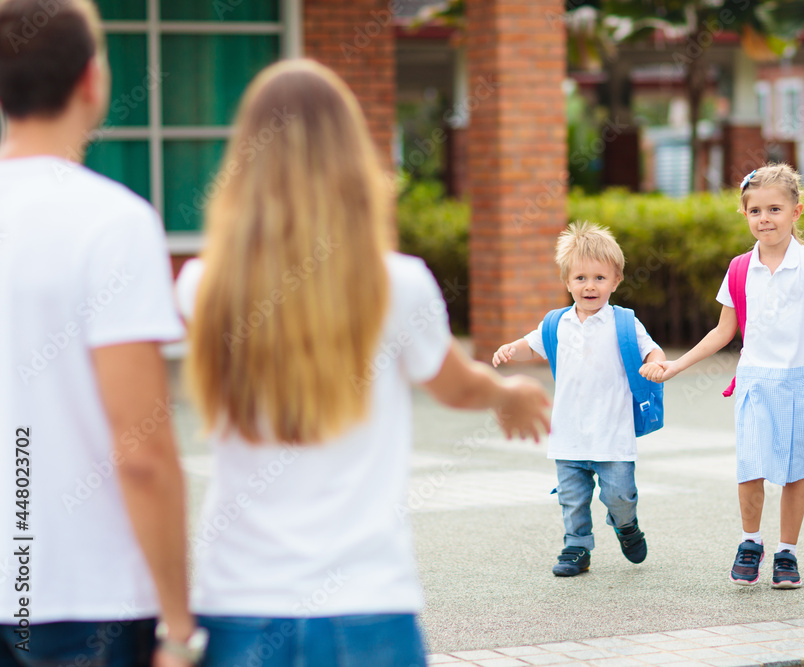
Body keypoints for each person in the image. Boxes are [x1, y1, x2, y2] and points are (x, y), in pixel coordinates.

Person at [174, 59, 550, 666]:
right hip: (367, 608)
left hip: (238, 604)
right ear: (351, 159)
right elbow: (455, 387)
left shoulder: (201, 286)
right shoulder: (397, 285)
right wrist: (507, 395)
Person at [0, 0, 200, 664]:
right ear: (91, 80)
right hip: (89, 600)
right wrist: (178, 624)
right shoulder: (112, 224)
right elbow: (140, 449)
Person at [641, 163, 804, 589]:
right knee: (751, 467)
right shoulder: (738, 270)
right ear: (744, 214)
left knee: (793, 472)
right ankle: (751, 541)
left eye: (775, 209)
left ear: (796, 212)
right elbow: (722, 331)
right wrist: (674, 366)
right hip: (756, 380)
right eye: (755, 211)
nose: (764, 219)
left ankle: (788, 553)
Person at [492, 221, 666, 577]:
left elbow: (653, 351)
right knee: (572, 499)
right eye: (581, 278)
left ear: (616, 281)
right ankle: (577, 547)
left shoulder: (624, 323)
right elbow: (531, 346)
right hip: (568, 433)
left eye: (600, 278)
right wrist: (512, 349)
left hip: (612, 434)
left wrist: (656, 364)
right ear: (566, 281)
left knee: (620, 494)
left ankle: (626, 525)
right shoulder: (557, 324)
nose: (590, 286)